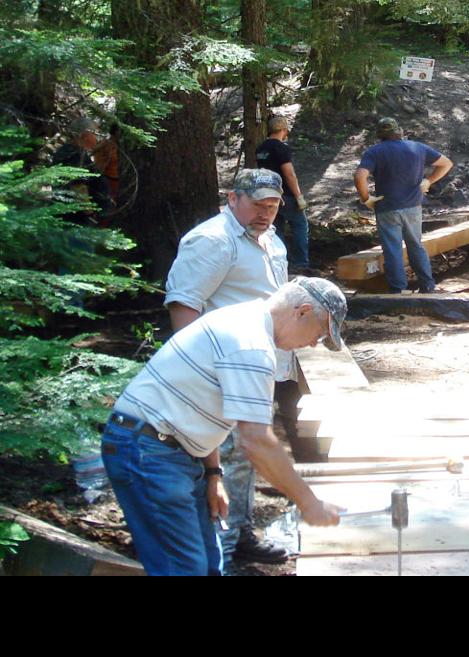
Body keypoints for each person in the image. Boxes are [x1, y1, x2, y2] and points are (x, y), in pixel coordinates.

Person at [102, 278, 346, 576]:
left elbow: (203, 406)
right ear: (303, 311)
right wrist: (309, 503)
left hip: (170, 451)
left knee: (208, 564)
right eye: (319, 335)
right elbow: (256, 441)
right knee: (184, 569)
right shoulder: (250, 344)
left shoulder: (245, 321)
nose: (312, 343)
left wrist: (213, 474)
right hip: (147, 451)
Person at [165, 168, 310, 568]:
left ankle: (240, 535)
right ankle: (221, 551)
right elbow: (184, 305)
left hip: (258, 366)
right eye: (257, 204)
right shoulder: (212, 240)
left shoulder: (269, 239)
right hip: (220, 370)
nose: (266, 212)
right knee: (224, 457)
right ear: (232, 199)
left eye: (273, 205)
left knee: (245, 455)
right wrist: (196, 371)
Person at [354, 117, 454, 294]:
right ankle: (428, 285)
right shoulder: (417, 147)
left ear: (380, 135)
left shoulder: (374, 152)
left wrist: (366, 198)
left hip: (387, 208)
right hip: (413, 207)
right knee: (416, 245)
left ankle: (398, 290)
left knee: (392, 249)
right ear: (399, 131)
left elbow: (360, 176)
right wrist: (428, 181)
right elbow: (446, 163)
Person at [256, 115, 311, 273]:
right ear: (283, 130)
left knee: (276, 229)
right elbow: (289, 173)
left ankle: (279, 263)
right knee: (300, 225)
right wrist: (298, 196)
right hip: (285, 195)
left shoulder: (261, 149)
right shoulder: (281, 148)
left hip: (268, 196)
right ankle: (301, 263)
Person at [51, 117, 113, 223]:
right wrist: (90, 214)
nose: (97, 139)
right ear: (86, 135)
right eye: (95, 134)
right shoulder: (76, 155)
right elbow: (78, 187)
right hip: (77, 220)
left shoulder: (66, 151)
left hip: (68, 216)